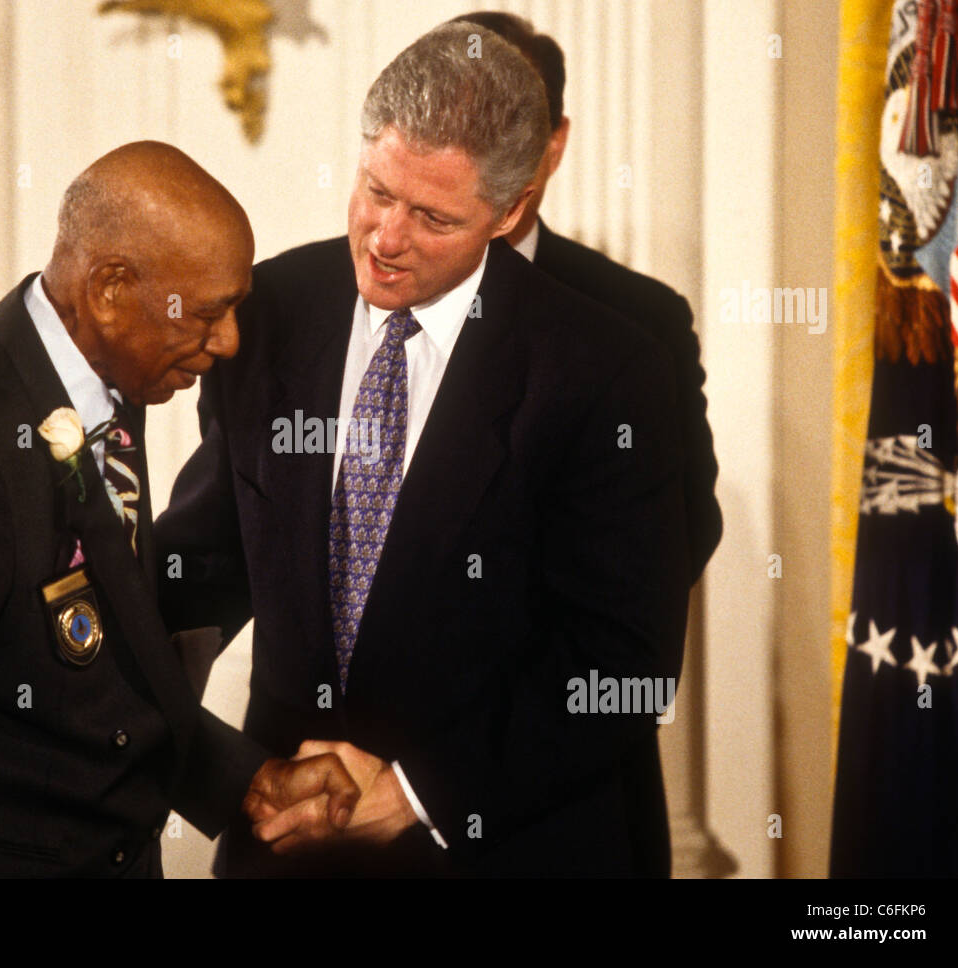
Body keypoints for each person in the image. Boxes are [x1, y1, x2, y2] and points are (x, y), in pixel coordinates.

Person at [157, 24, 690, 876]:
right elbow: (203, 563)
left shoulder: (607, 370)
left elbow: (621, 664)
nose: (385, 238)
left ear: (509, 211)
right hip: (287, 843)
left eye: (434, 216)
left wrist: (415, 790)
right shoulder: (270, 311)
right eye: (376, 191)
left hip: (495, 845)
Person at [0, 142, 359, 877]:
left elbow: (104, 676)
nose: (228, 342)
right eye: (210, 314)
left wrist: (247, 782)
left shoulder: (108, 387)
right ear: (110, 289)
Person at [454, 10, 722, 583]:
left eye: (509, 126)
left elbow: (682, 528)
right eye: (453, 122)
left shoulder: (643, 321)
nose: (478, 153)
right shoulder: (325, 295)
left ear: (555, 143)